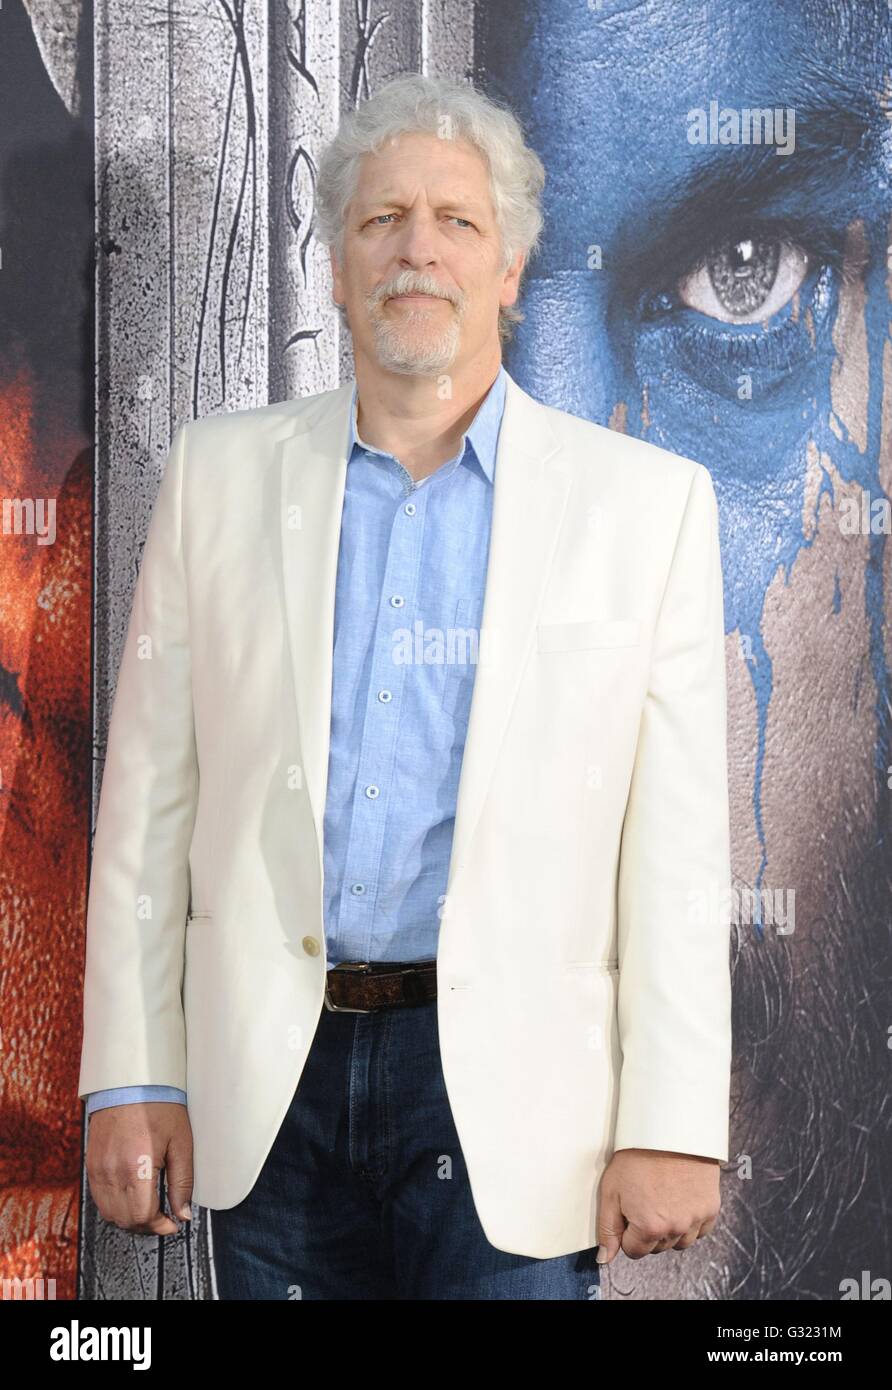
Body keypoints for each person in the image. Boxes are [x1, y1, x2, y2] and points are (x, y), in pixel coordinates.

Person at [79, 74, 732, 1301]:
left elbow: (681, 850)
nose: (415, 249)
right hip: (267, 1085)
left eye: (455, 221)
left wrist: (676, 1117)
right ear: (335, 267)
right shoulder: (213, 482)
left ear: (511, 274)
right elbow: (147, 805)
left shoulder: (645, 509)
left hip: (515, 1096)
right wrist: (131, 1072)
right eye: (381, 221)